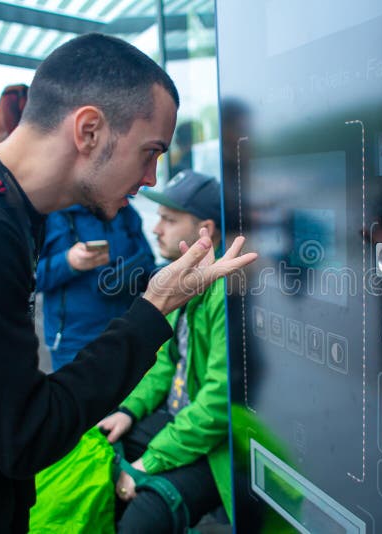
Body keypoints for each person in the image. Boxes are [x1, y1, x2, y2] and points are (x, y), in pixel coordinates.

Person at [0, 33, 255, 534]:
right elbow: (28, 434)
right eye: (149, 152)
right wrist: (155, 308)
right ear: (88, 130)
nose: (151, 178)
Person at [98, 170, 232, 532]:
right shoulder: (182, 277)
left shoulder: (225, 293)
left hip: (215, 443)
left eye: (169, 220)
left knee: (143, 517)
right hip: (178, 419)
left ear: (207, 229)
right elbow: (163, 363)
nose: (156, 229)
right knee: (95, 454)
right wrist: (128, 409)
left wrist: (150, 463)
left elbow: (219, 403)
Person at [36, 201, 157, 371]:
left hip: (125, 333)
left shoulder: (125, 211)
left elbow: (147, 265)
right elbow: (28, 278)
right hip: (73, 342)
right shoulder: (51, 214)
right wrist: (68, 262)